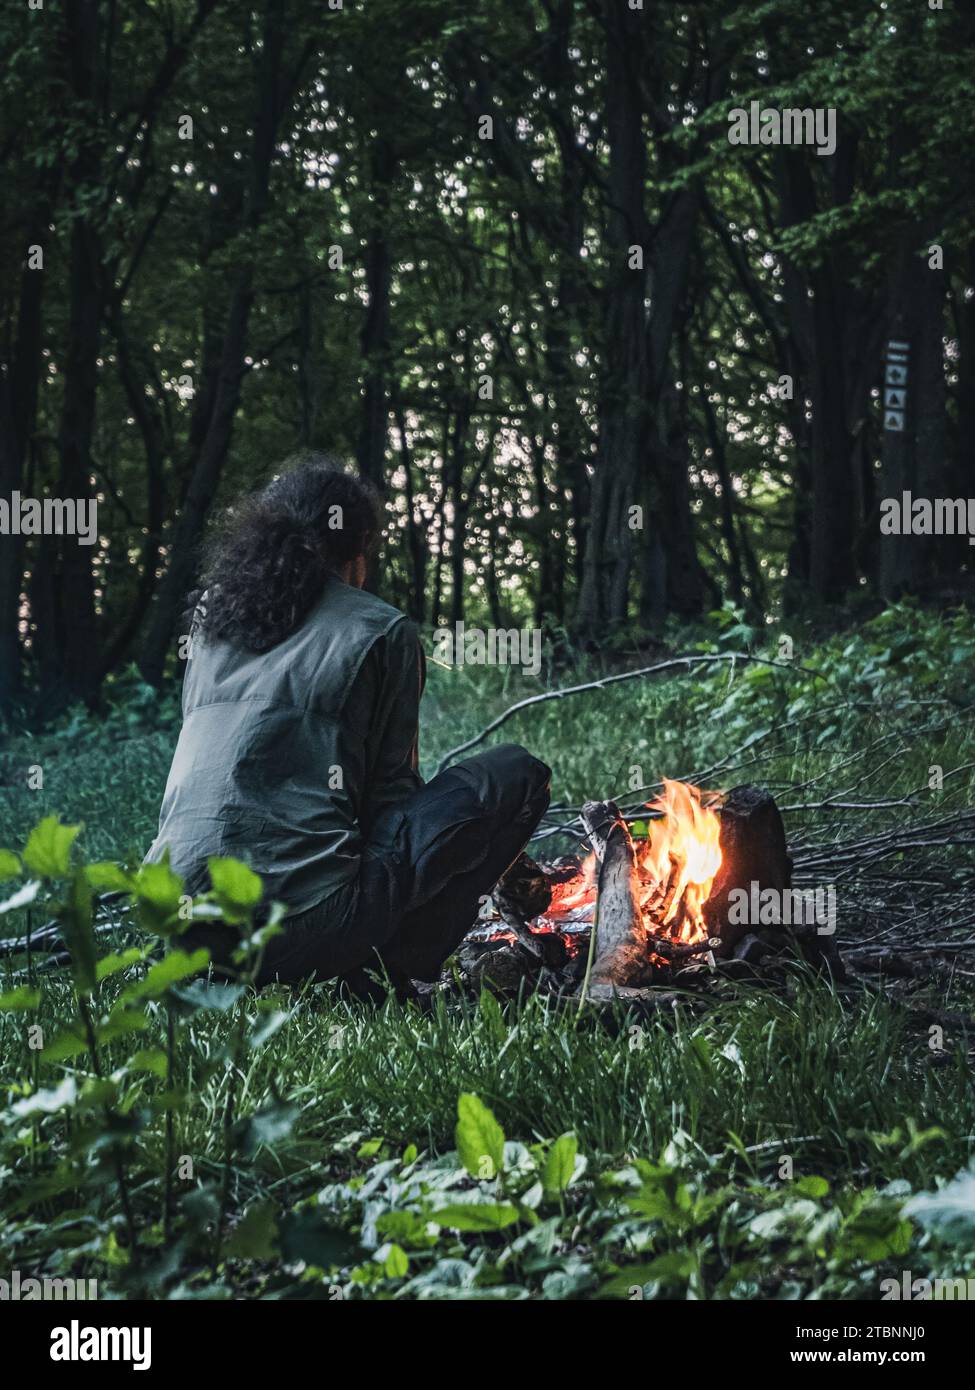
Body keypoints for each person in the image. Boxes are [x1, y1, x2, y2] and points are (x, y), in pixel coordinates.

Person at [145, 455, 551, 994]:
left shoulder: (212, 625)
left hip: (170, 922)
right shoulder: (379, 629)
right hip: (296, 930)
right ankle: (390, 972)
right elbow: (389, 801)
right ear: (358, 548)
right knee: (516, 773)